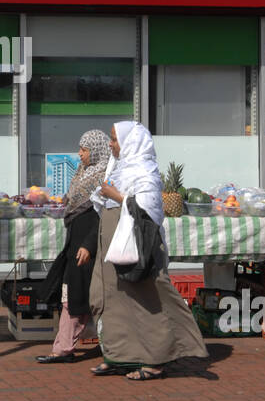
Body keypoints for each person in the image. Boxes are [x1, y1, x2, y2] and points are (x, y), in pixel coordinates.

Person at [88, 121, 208, 381]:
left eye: (115, 140)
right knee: (109, 299)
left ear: (131, 143)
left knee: (145, 300)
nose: (111, 145)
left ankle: (156, 360)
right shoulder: (119, 168)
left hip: (134, 246)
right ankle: (118, 355)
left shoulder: (144, 171)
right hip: (112, 246)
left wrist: (117, 196)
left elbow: (147, 210)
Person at [34, 129, 109, 364]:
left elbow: (102, 214)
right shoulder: (83, 172)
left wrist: (88, 245)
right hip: (75, 242)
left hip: (89, 246)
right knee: (75, 295)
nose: (80, 155)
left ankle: (65, 349)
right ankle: (67, 347)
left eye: (84, 150)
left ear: (96, 151)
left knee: (81, 297)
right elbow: (73, 199)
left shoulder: (105, 176)